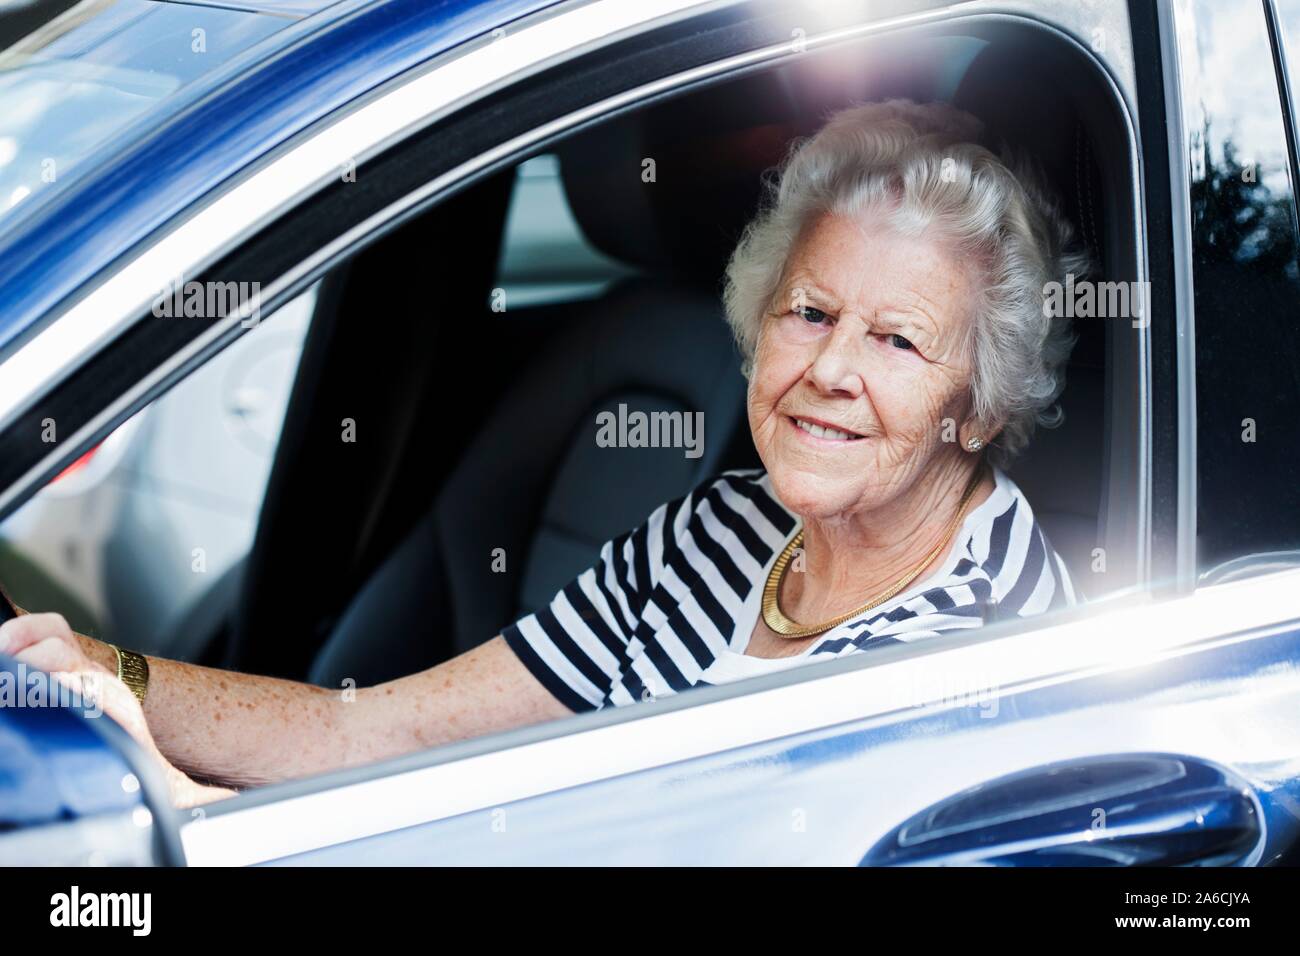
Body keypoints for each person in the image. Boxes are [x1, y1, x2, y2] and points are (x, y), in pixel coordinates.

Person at [0, 99, 1086, 807]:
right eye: (809, 311)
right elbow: (377, 731)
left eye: (897, 340)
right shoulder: (726, 527)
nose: (830, 368)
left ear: (979, 407)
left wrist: (185, 812)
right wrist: (101, 672)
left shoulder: (957, 649)